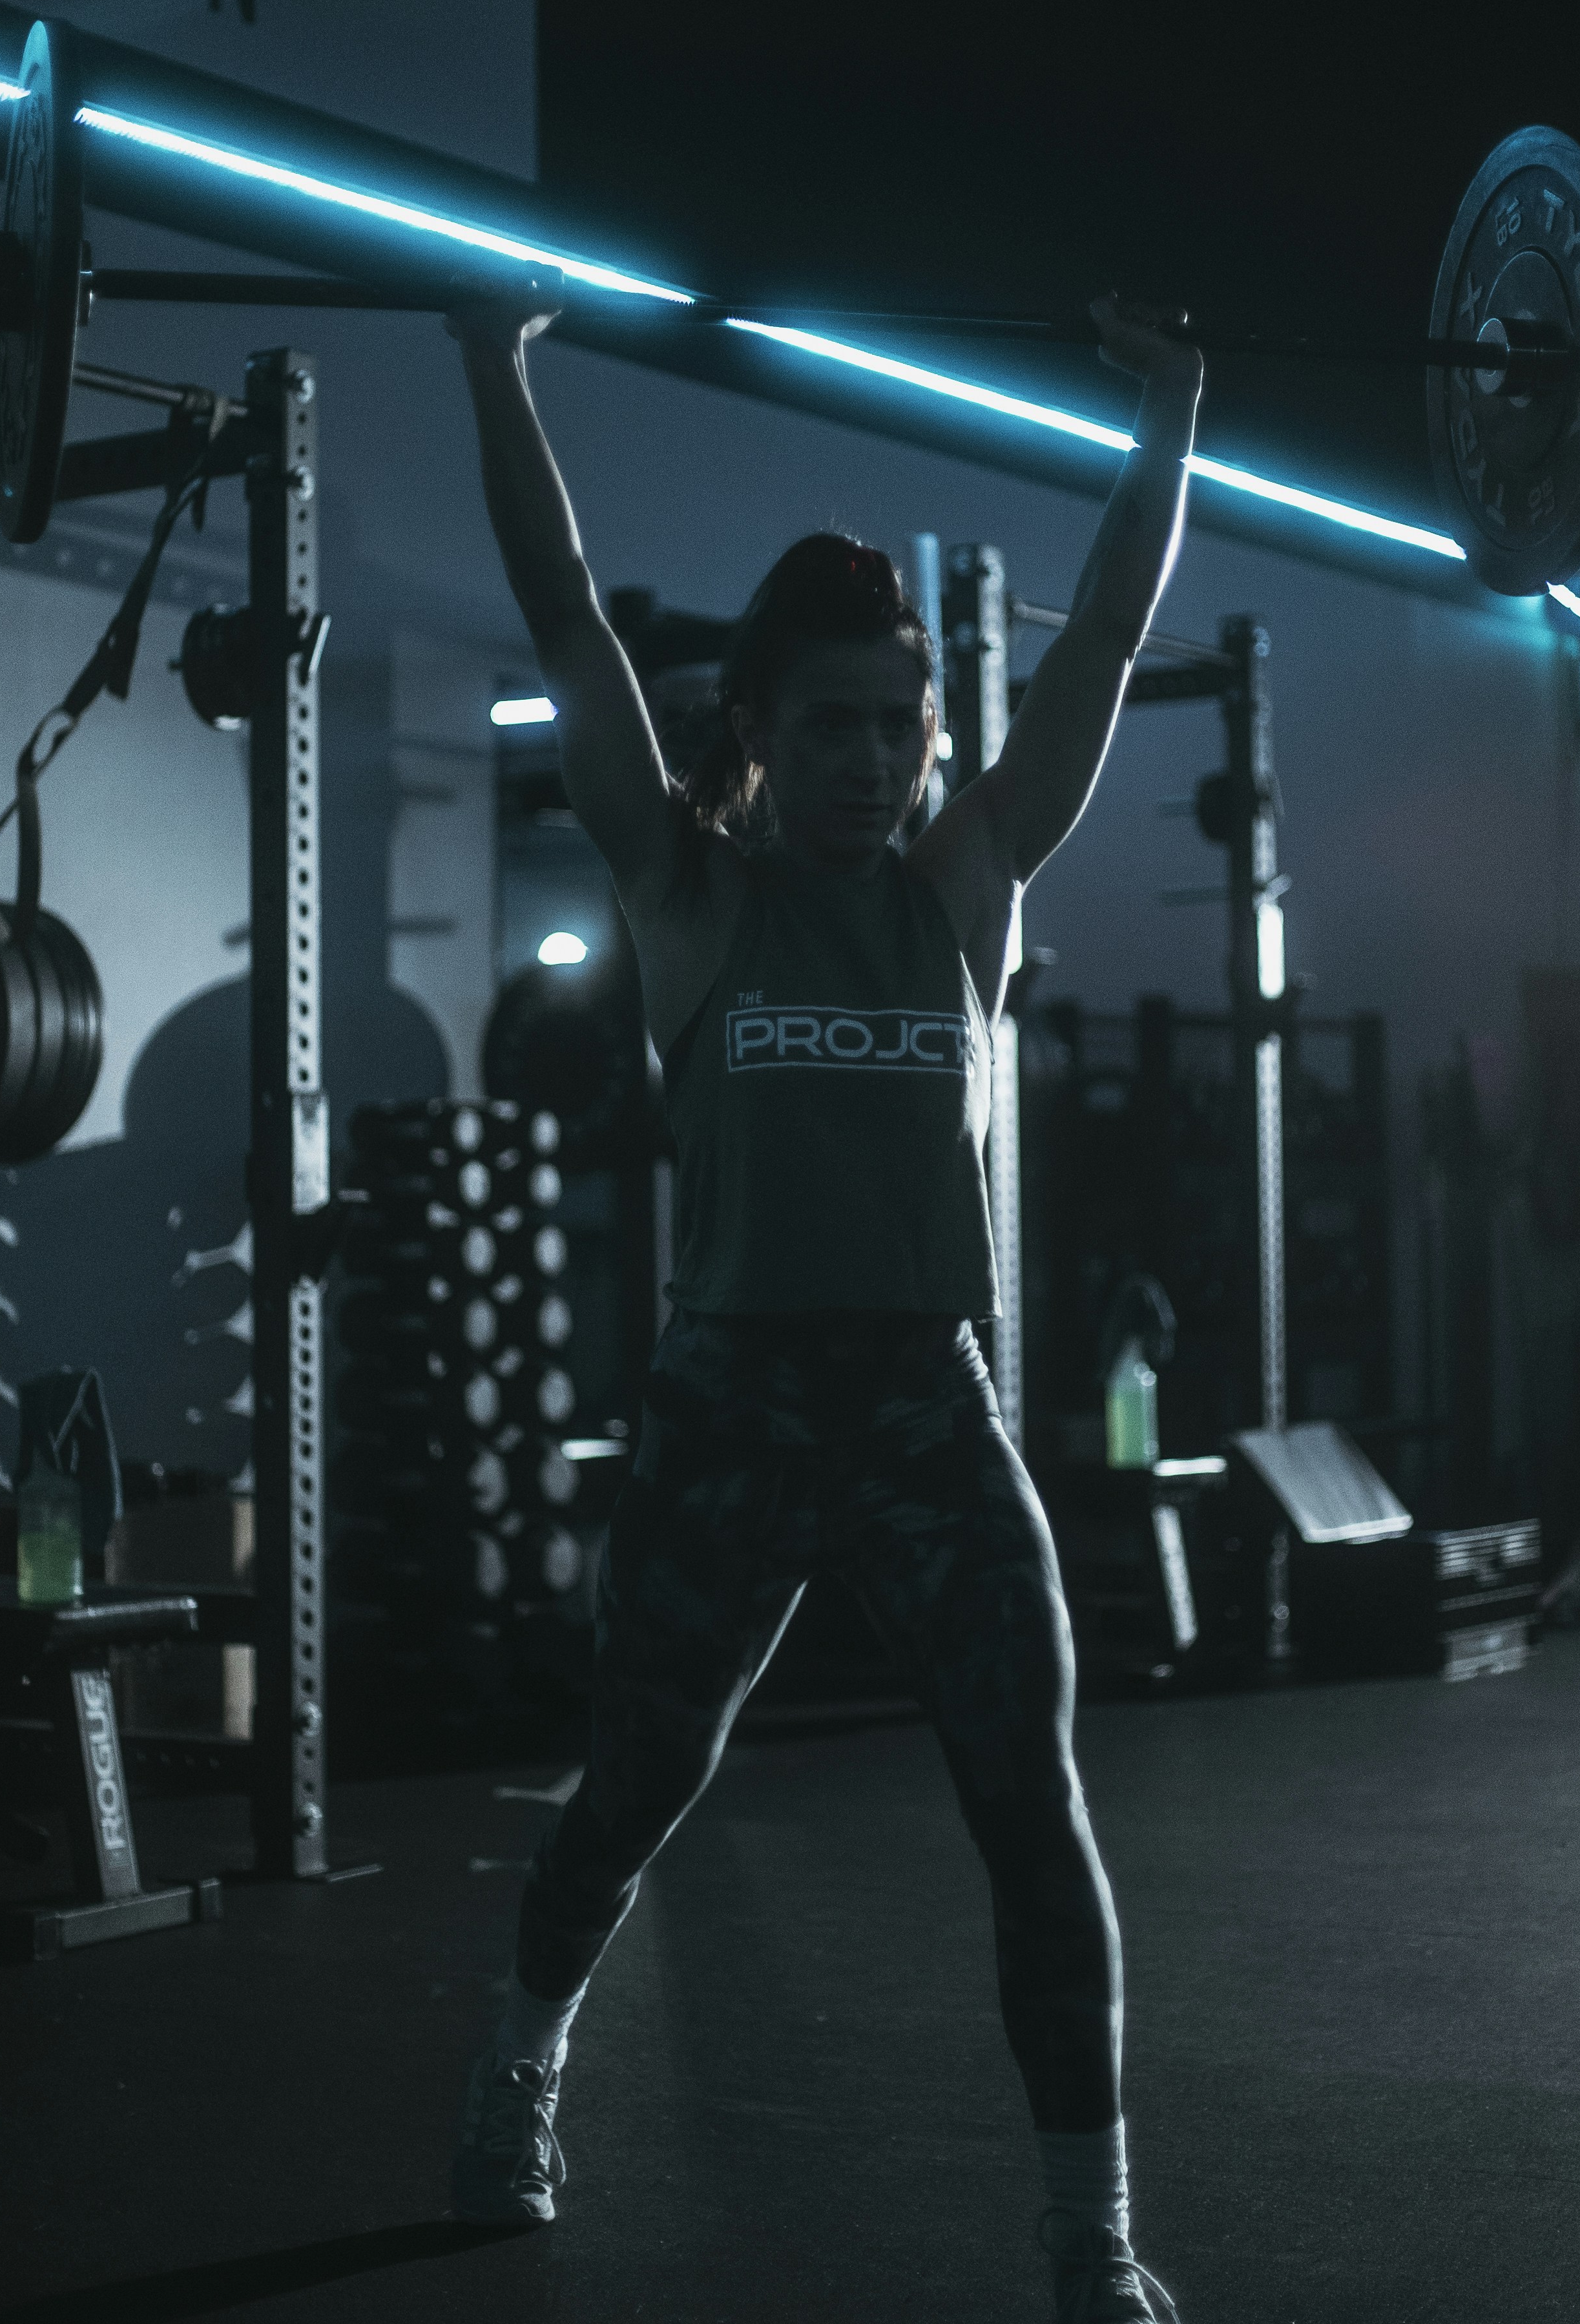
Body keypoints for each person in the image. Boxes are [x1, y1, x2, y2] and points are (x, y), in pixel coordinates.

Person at [446, 289, 1201, 2324]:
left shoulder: (963, 893)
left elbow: (1110, 645)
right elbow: (565, 620)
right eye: (832, 724)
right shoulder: (693, 903)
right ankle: (522, 2073)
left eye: (900, 724)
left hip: (928, 1412)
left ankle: (1088, 2231)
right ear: (759, 737)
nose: (873, 759)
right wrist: (491, 369)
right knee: (634, 1786)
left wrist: (1171, 416)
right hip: (731, 1411)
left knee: (1032, 1810)